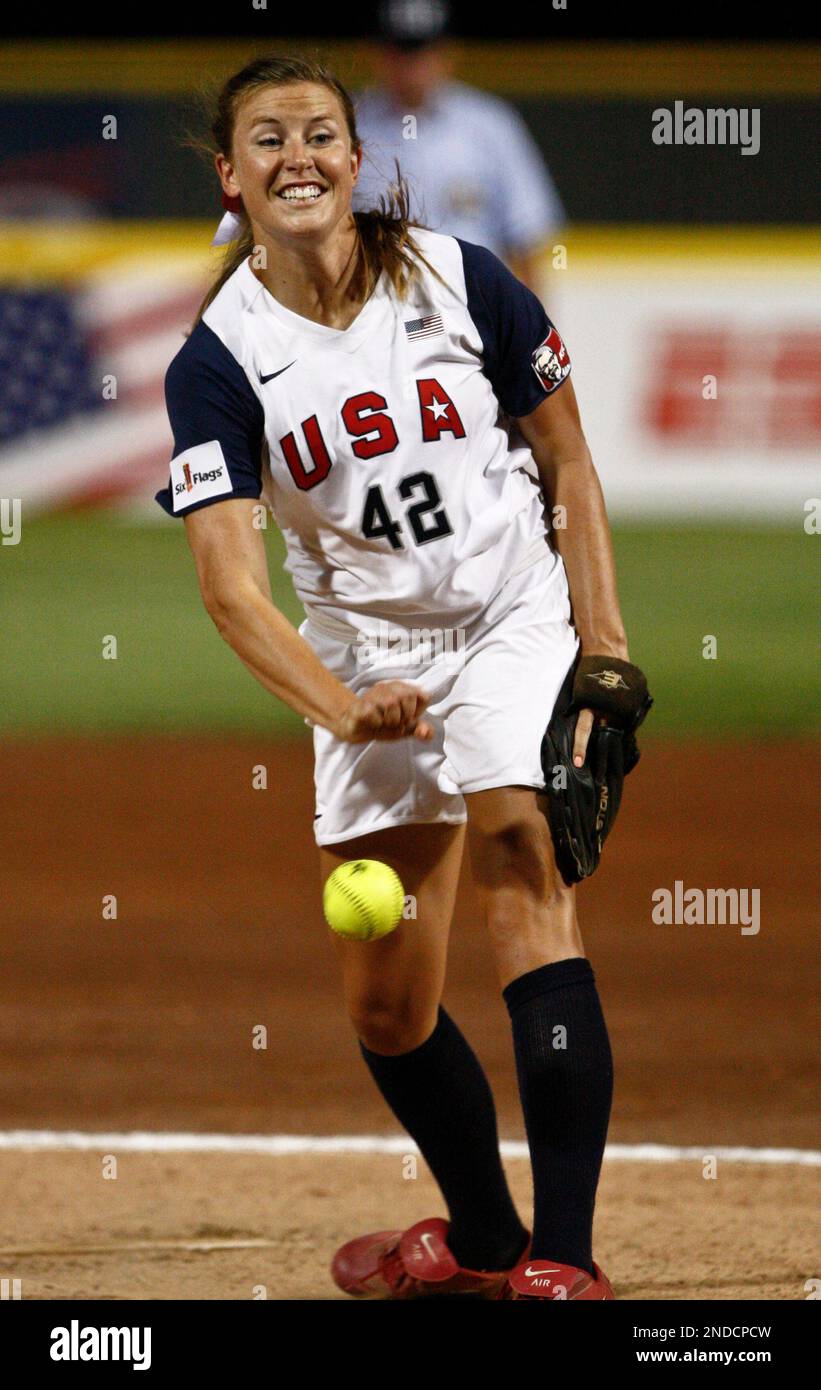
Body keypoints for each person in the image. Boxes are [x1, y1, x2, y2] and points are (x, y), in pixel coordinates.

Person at [156, 53, 637, 1301]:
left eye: (320, 132)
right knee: (385, 1002)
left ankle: (566, 1259)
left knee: (523, 858)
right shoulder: (218, 360)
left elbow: (568, 465)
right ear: (231, 175)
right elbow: (230, 588)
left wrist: (606, 647)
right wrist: (340, 704)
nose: (297, 156)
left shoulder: (458, 275)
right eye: (267, 139)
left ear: (357, 159)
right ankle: (480, 1242)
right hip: (366, 660)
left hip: (507, 616)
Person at [352, 0, 564, 293]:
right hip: (376, 305)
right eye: (400, 50)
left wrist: (536, 330)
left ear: (448, 53)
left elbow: (525, 238)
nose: (412, 65)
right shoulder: (350, 125)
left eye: (422, 51)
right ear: (375, 53)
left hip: (476, 305)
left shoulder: (490, 124)